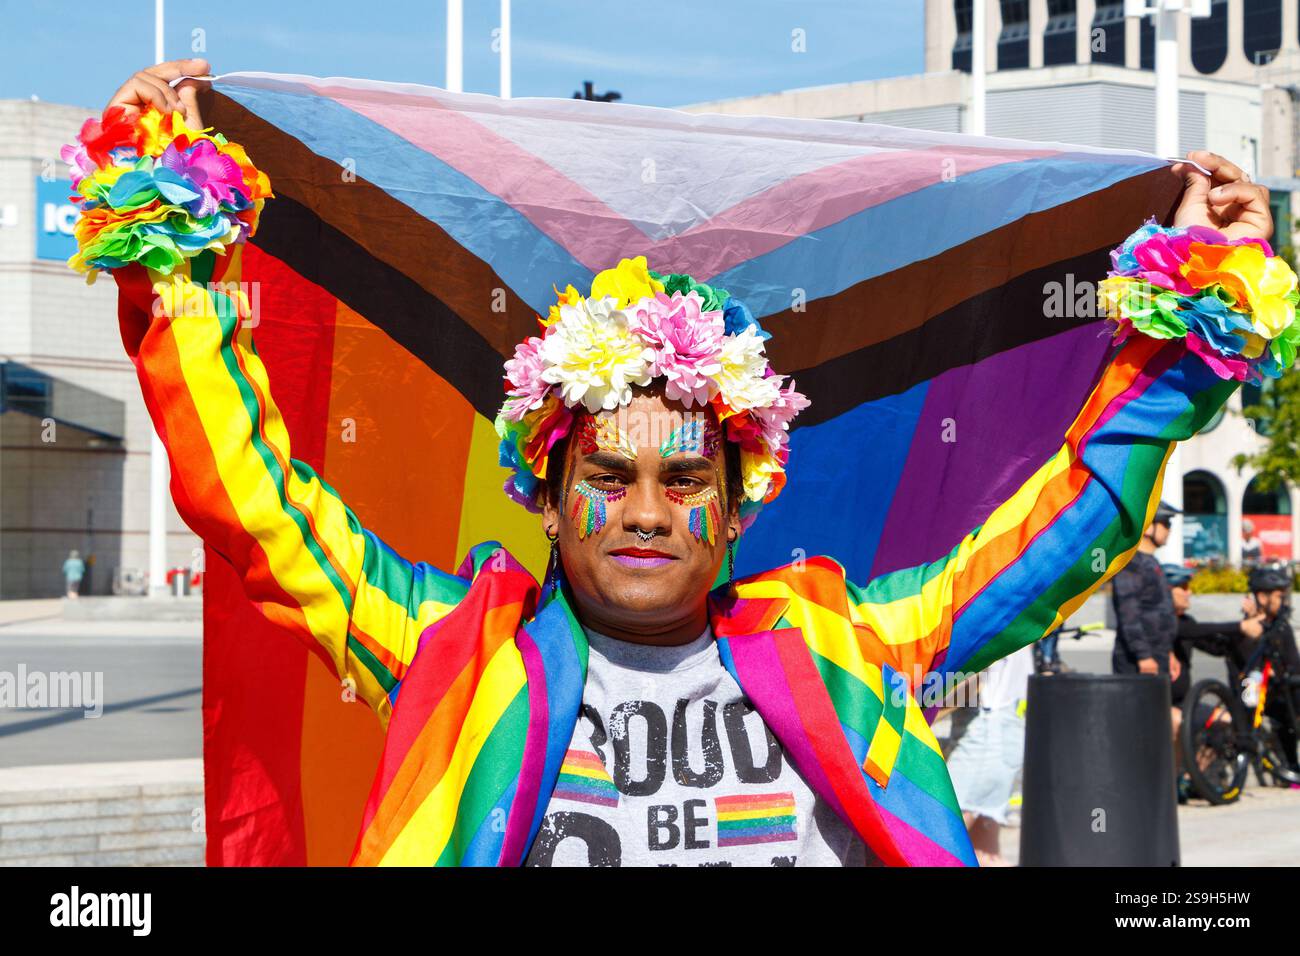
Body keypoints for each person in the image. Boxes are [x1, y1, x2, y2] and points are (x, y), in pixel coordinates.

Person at [71, 59, 1289, 867]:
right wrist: (169, 248)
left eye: (684, 479)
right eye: (607, 473)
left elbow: (1069, 523)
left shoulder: (840, 638)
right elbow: (254, 498)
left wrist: (1194, 327)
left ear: (738, 498)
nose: (646, 510)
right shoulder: (452, 642)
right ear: (545, 496)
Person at [1163, 563, 1264, 801]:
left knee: (1226, 721)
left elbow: (1216, 645)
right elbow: (1195, 630)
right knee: (1176, 721)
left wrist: (1247, 622)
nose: (1189, 592)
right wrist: (1240, 626)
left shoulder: (1186, 620)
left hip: (1185, 702)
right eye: (1184, 587)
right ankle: (1171, 783)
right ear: (1167, 591)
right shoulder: (1164, 621)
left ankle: (1192, 778)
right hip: (1161, 704)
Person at [944, 644, 1034, 866]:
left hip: (985, 734)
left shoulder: (987, 615)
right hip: (1001, 727)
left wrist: (919, 710)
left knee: (938, 838)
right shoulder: (1009, 612)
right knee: (984, 853)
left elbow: (970, 683)